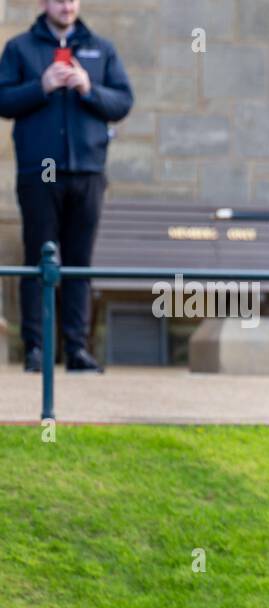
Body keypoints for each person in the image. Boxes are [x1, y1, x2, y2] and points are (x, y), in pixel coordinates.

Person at [0, 0, 132, 374]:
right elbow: (3, 99)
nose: (67, 6)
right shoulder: (20, 48)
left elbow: (122, 101)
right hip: (40, 170)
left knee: (79, 263)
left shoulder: (101, 49)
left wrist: (89, 89)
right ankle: (36, 348)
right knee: (39, 258)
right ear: (44, 4)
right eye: (59, 0)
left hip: (87, 171)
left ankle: (77, 349)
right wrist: (40, 86)